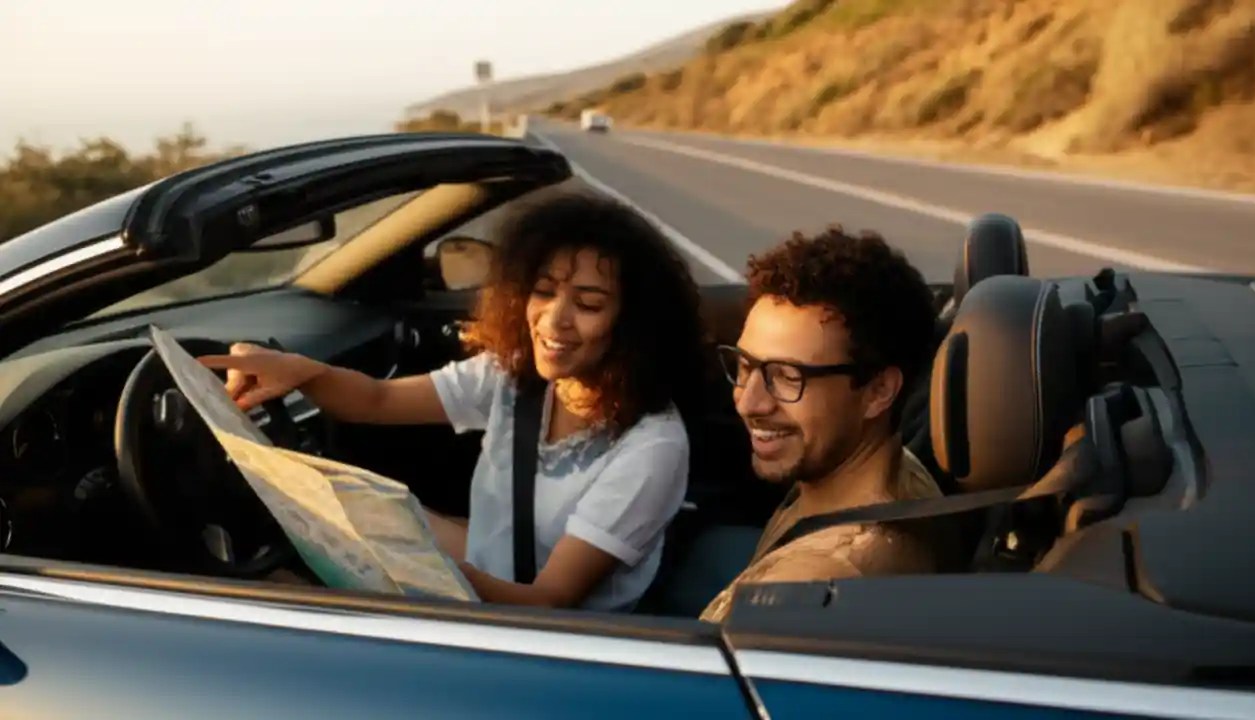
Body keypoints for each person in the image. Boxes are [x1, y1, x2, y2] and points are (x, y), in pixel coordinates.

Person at [199, 189, 709, 612]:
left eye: (589, 303)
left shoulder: (652, 449)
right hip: (489, 571)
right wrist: (298, 371)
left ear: (635, 323)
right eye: (543, 291)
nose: (554, 321)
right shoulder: (515, 376)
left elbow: (546, 601)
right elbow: (375, 401)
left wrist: (408, 570)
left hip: (549, 639)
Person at [700, 226, 942, 623]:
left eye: (788, 376)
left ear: (878, 390)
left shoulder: (815, 585)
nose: (748, 402)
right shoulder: (886, 472)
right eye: (745, 366)